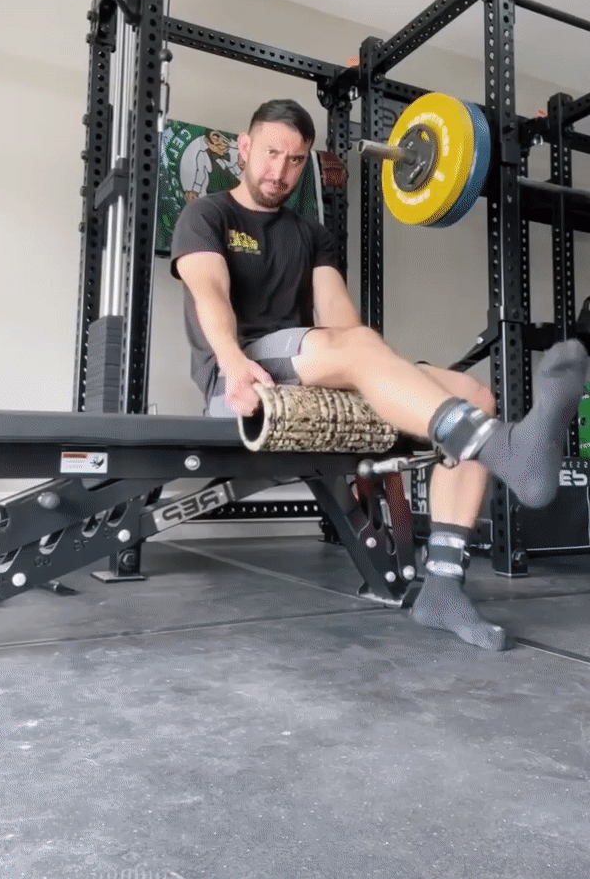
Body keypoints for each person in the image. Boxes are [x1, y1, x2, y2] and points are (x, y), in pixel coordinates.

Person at [171, 98, 588, 653]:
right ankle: (508, 451)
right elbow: (210, 295)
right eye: (271, 153)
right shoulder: (206, 216)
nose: (280, 172)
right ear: (244, 148)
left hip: (309, 365)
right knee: (370, 355)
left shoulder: (311, 233)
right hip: (245, 377)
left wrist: (380, 373)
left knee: (474, 394)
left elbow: (341, 323)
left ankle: (443, 588)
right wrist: (231, 362)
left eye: (295, 160)